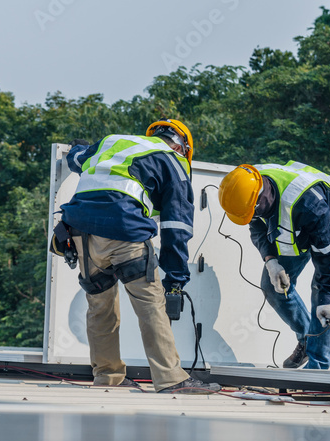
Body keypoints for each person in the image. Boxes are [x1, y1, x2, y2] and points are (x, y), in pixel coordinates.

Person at [55, 119, 220, 394]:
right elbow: (175, 228)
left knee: (100, 306)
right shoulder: (173, 161)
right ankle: (170, 378)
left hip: (79, 230)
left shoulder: (111, 143)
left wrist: (76, 148)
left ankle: (108, 376)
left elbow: (77, 158)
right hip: (125, 229)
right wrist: (176, 278)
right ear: (182, 147)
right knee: (150, 304)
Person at [218, 161, 330, 370]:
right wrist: (271, 260)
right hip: (298, 224)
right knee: (271, 285)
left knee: (322, 298)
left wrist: (328, 298)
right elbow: (256, 226)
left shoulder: (310, 204)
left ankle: (317, 371)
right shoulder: (248, 183)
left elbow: (329, 257)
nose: (251, 218)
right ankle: (307, 339)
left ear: (260, 201)